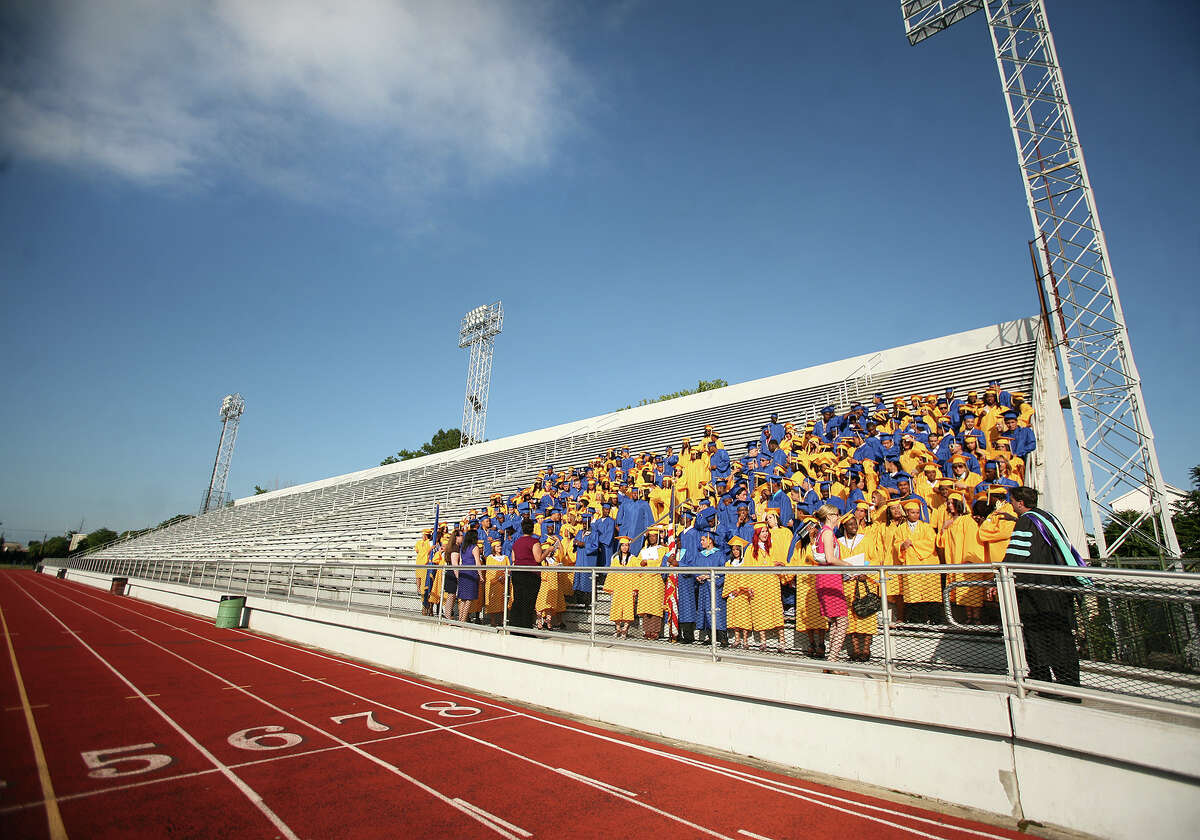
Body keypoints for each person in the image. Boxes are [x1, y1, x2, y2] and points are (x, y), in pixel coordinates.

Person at [1002, 486, 1083, 700]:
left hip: (1035, 590)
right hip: (1058, 587)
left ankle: (1044, 683)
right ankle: (1070, 685)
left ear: (1020, 502)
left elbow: (1017, 556)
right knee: (1062, 636)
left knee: (1038, 636)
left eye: (1012, 501)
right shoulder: (1048, 518)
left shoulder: (1027, 521)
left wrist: (999, 579)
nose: (1011, 504)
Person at [813, 503, 854, 671]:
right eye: (836, 515)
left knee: (837, 621)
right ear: (830, 516)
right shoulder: (828, 533)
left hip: (829, 578)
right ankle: (832, 660)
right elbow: (830, 557)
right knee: (842, 621)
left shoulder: (822, 533)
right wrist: (849, 565)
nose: (838, 518)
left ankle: (832, 659)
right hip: (829, 579)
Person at [508, 519, 544, 630]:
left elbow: (513, 558)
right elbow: (538, 558)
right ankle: (525, 627)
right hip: (530, 574)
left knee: (518, 600)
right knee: (529, 602)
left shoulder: (516, 542)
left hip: (518, 573)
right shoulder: (534, 542)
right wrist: (548, 551)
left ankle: (514, 627)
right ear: (532, 529)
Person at [635, 526, 667, 639]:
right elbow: (637, 562)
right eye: (650, 536)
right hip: (644, 580)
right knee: (645, 608)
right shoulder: (644, 550)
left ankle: (655, 631)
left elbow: (660, 563)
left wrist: (646, 563)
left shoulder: (663, 549)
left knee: (655, 607)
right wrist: (641, 564)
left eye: (654, 536)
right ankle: (646, 630)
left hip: (656, 580)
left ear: (658, 537)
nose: (652, 538)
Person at [605, 536, 638, 638]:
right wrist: (611, 588)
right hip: (618, 587)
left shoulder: (633, 559)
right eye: (623, 545)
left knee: (628, 608)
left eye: (627, 545)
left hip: (629, 587)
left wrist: (635, 589)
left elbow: (637, 574)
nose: (625, 547)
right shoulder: (615, 559)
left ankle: (625, 629)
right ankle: (618, 628)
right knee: (616, 607)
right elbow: (611, 574)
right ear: (620, 547)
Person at [456, 529, 483, 623]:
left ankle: (460, 619)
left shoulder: (463, 547)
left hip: (463, 573)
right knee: (469, 599)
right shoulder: (474, 547)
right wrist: (481, 575)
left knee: (463, 599)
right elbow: (477, 562)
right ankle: (463, 620)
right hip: (471, 573)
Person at [483, 539, 509, 626]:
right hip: (494, 583)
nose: (500, 548)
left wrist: (503, 577)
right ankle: (493, 620)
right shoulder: (490, 558)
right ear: (493, 548)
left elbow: (508, 569)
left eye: (500, 546)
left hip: (502, 583)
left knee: (503, 601)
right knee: (492, 601)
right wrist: (498, 579)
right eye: (497, 546)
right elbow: (489, 571)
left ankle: (502, 620)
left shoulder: (505, 558)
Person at [441, 529, 462, 619]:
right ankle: (448, 616)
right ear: (456, 537)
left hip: (451, 572)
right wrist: (458, 577)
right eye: (461, 536)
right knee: (451, 596)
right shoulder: (455, 548)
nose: (462, 537)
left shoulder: (454, 547)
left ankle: (448, 616)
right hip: (453, 573)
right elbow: (455, 564)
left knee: (451, 596)